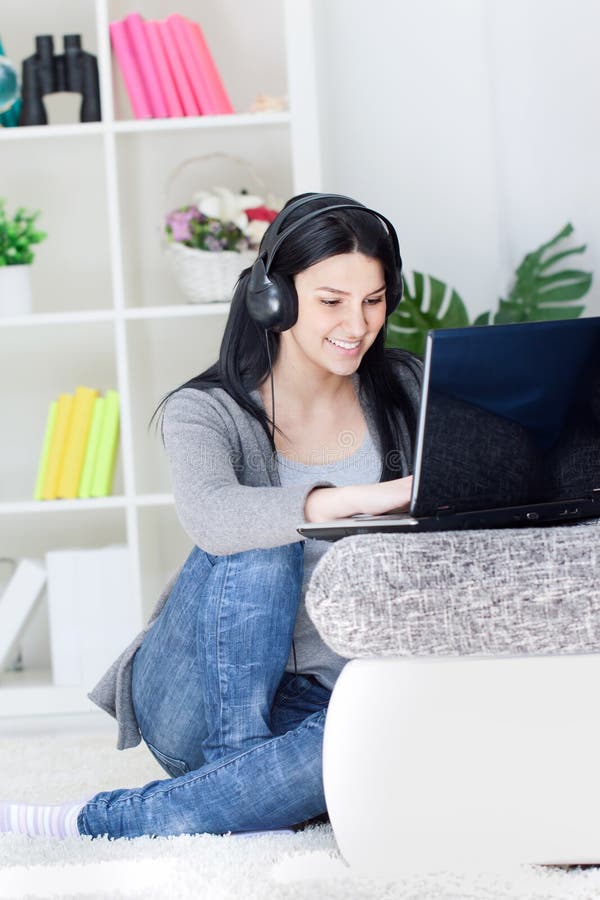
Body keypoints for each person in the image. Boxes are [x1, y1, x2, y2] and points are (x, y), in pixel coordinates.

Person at [0, 192, 421, 840]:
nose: (357, 324)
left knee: (368, 735)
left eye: (373, 300)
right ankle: (200, 781)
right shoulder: (205, 409)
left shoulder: (408, 390)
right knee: (263, 536)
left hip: (328, 688)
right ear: (272, 299)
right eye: (332, 301)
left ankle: (235, 799)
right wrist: (358, 497)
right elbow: (215, 520)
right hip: (197, 685)